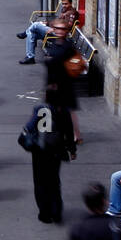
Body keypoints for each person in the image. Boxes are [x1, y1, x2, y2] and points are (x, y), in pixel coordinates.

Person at [22, 90, 76, 223]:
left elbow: (30, 126)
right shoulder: (64, 110)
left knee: (40, 182)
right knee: (54, 181)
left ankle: (44, 213)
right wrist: (72, 149)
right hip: (56, 150)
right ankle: (56, 211)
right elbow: (69, 132)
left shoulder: (40, 109)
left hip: (40, 151)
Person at [42, 17, 83, 144]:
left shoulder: (66, 46)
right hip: (55, 83)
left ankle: (71, 135)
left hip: (63, 84)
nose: (59, 31)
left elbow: (57, 62)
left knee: (65, 110)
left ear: (67, 31)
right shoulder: (57, 44)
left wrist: (49, 60)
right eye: (57, 28)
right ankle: (73, 134)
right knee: (64, 109)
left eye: (62, 29)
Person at [18, 0, 77, 64]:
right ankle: (30, 57)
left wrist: (53, 29)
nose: (64, 5)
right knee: (31, 34)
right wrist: (47, 23)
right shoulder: (64, 10)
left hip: (59, 33)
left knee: (36, 25)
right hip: (54, 30)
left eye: (66, 4)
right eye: (63, 4)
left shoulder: (72, 13)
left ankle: (25, 32)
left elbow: (68, 26)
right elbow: (57, 22)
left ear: (70, 3)